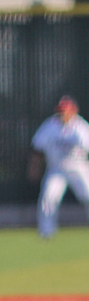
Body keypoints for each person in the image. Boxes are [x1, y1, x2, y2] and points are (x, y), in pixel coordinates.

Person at [28, 95, 89, 238]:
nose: (63, 114)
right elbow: (37, 150)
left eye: (66, 111)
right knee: (48, 198)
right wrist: (33, 168)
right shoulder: (50, 126)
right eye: (61, 111)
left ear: (73, 111)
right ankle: (46, 231)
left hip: (79, 167)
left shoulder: (81, 127)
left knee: (88, 196)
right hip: (56, 168)